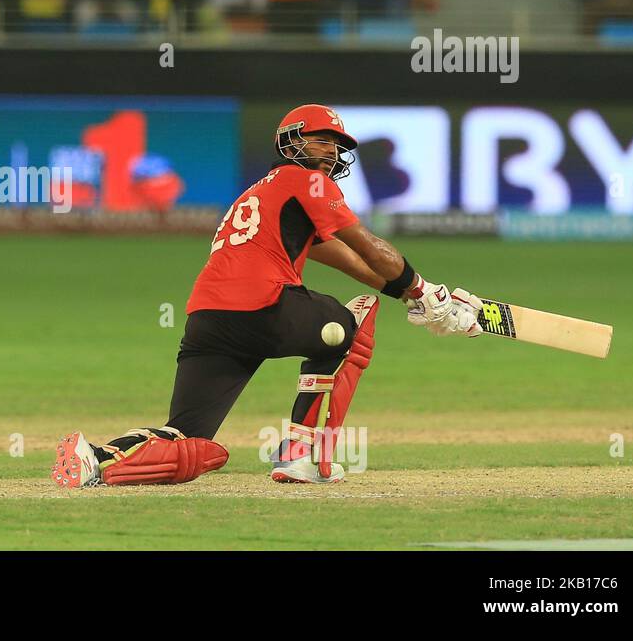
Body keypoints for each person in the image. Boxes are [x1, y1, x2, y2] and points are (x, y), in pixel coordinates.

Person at [52, 104, 483, 488]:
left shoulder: (267, 192)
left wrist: (413, 298)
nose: (331, 150)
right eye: (321, 139)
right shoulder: (306, 182)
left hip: (208, 320)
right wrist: (427, 292)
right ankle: (302, 456)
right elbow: (367, 243)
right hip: (262, 305)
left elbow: (353, 262)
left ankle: (95, 458)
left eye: (337, 144)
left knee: (193, 441)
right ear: (291, 140)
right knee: (348, 325)